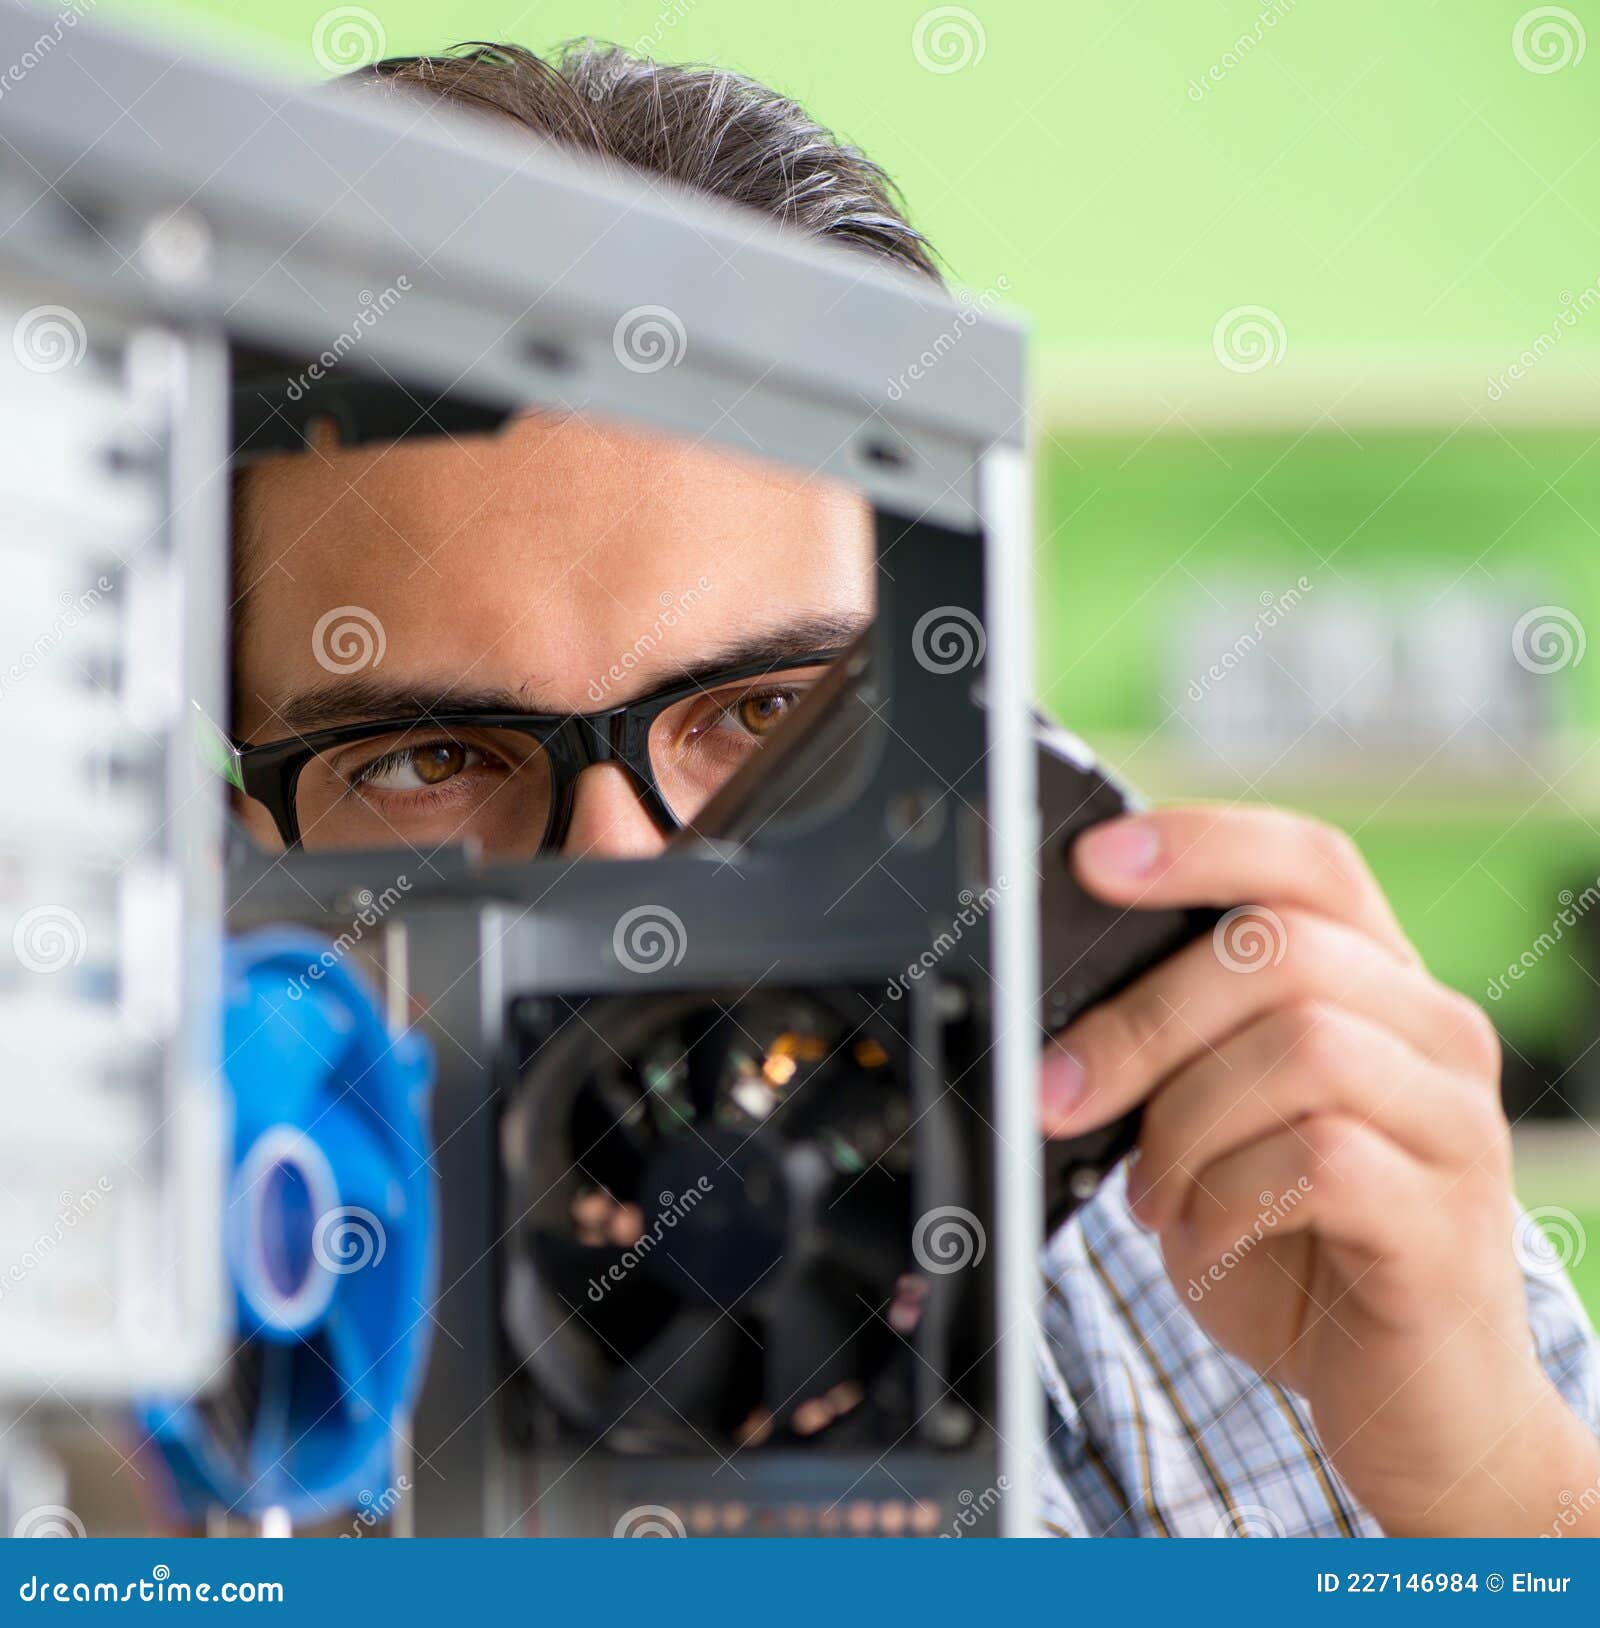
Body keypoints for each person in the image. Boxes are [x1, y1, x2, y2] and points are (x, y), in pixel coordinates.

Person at [228, 40, 1600, 1538]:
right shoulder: (139, 1414)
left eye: (765, 717)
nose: (630, 890)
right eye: (427, 760)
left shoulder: (1290, 1226)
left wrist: (1489, 1489)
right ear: (231, 849)